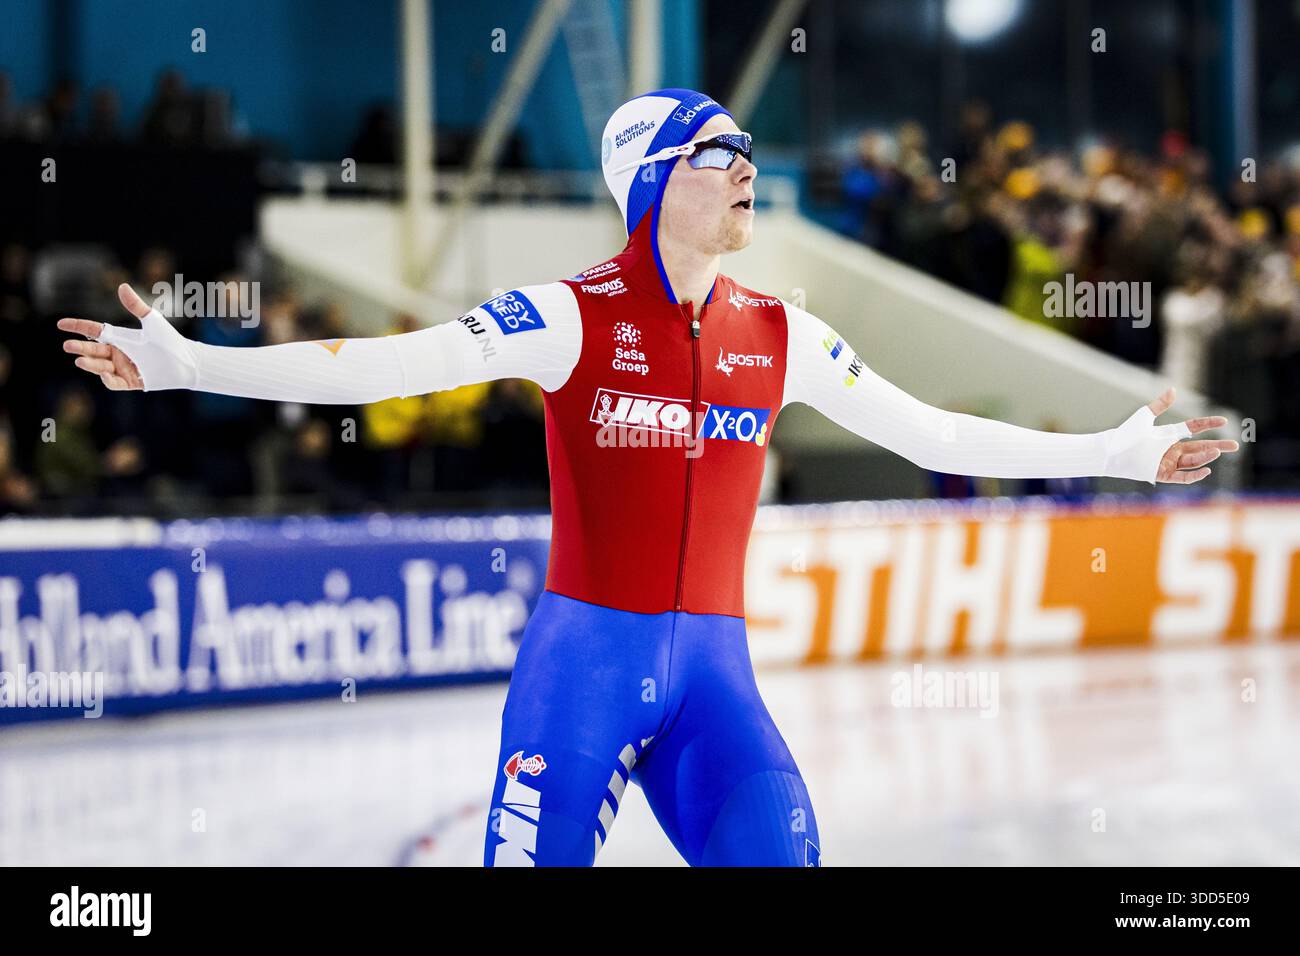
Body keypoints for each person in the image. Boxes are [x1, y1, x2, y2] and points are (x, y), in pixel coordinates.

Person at [57, 89, 1238, 867]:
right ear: (655, 177)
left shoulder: (781, 331)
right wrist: (189, 363)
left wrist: (1113, 451)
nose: (747, 169)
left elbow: (931, 434)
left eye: (747, 151)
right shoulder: (569, 316)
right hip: (581, 671)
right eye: (722, 153)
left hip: (714, 687)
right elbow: (378, 362)